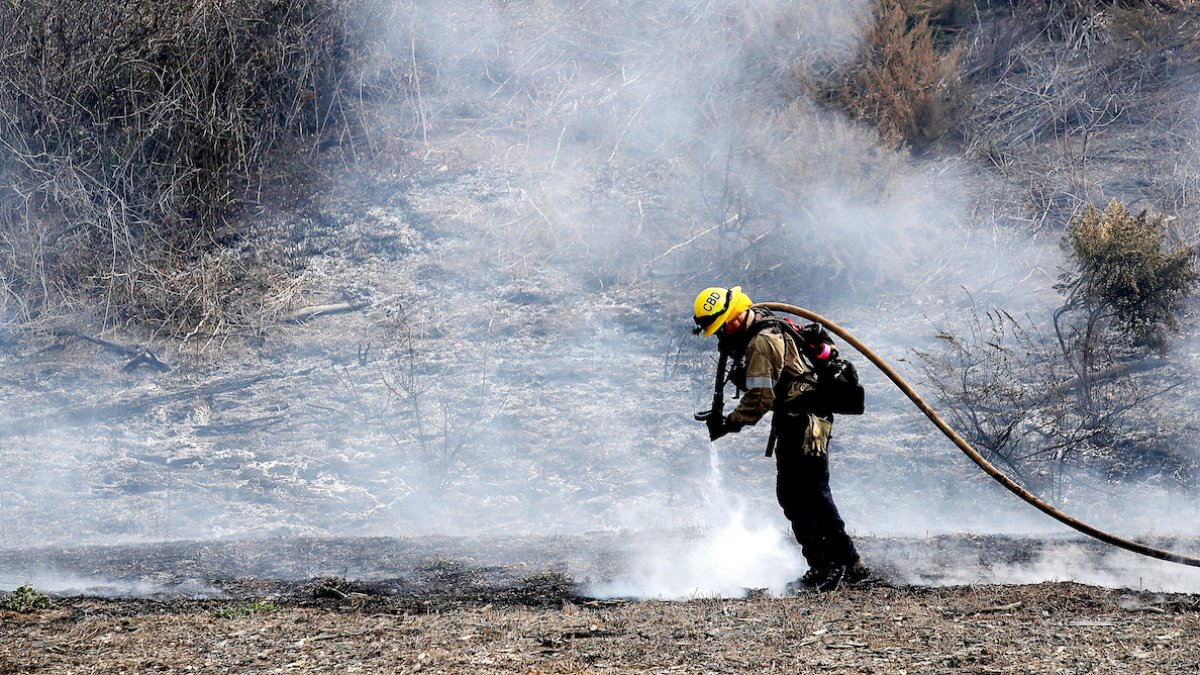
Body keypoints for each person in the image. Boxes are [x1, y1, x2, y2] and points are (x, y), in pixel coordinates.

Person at [692, 285, 870, 593]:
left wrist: (730, 423)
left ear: (734, 316)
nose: (721, 335)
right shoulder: (757, 325)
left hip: (806, 418)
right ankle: (833, 564)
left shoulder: (762, 341)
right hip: (794, 417)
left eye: (722, 327)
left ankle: (838, 565)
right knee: (793, 493)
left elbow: (761, 397)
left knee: (811, 492)